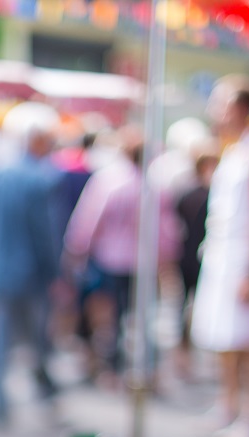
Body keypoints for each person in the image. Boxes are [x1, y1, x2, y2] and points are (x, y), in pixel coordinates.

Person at [0, 106, 66, 426]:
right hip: (27, 273)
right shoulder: (38, 178)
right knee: (35, 336)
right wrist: (55, 272)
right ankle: (43, 388)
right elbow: (44, 234)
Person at [63, 126, 180, 383]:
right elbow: (166, 230)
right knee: (140, 316)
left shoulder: (111, 181)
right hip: (141, 262)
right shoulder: (153, 186)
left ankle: (111, 367)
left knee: (110, 317)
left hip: (111, 260)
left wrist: (78, 248)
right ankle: (141, 369)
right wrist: (166, 260)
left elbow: (89, 220)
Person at [191, 78, 249, 437]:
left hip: (241, 257)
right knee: (226, 338)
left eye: (222, 103)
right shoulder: (233, 149)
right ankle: (230, 406)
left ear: (240, 108)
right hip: (223, 253)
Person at [175, 143, 219, 378]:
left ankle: (196, 355)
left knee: (195, 306)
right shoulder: (198, 195)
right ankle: (185, 355)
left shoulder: (200, 194)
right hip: (193, 257)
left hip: (198, 256)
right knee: (186, 306)